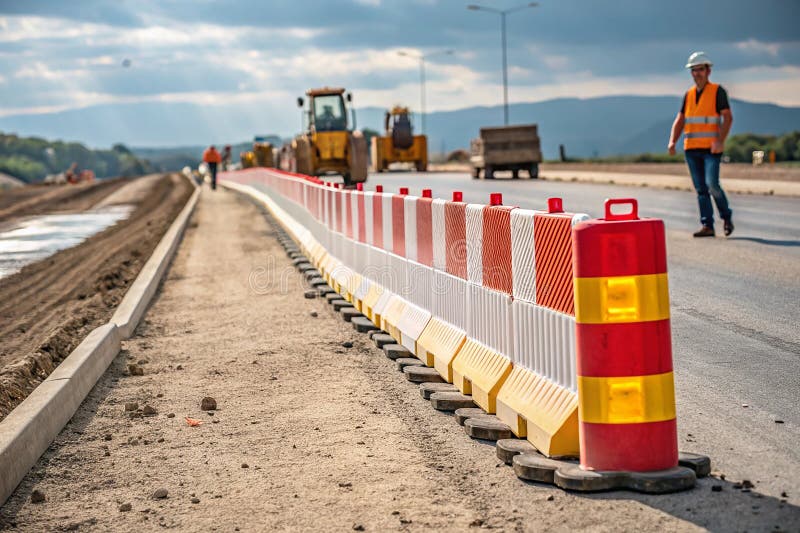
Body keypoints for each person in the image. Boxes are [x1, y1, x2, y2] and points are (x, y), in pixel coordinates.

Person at [668, 51, 734, 237]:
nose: (697, 73)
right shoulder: (688, 95)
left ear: (708, 71)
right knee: (701, 189)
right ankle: (707, 225)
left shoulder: (717, 92)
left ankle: (726, 216)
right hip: (691, 148)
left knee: (712, 184)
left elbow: (728, 118)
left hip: (711, 148)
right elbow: (680, 120)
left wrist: (720, 141)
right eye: (694, 70)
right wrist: (673, 141)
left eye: (700, 69)